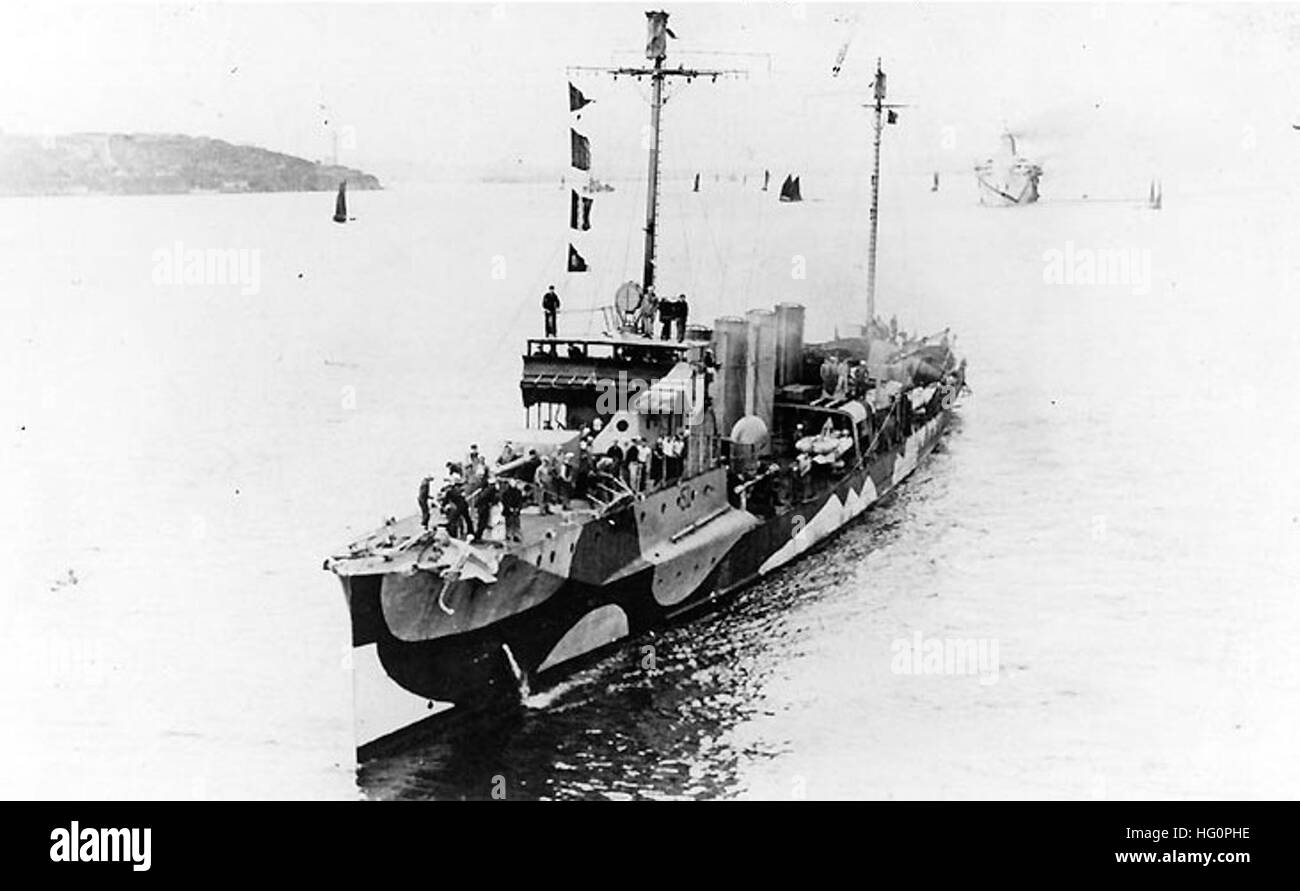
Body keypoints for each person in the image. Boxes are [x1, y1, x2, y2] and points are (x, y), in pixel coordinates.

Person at [473, 477, 498, 542]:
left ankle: (478, 536)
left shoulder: (484, 490)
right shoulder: (488, 490)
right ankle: (477, 537)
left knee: (481, 523)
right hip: (484, 508)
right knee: (482, 523)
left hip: (482, 508)